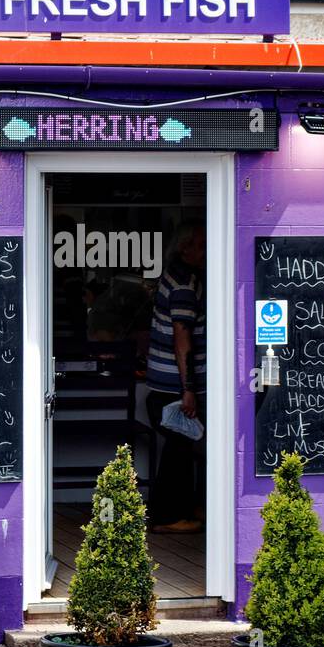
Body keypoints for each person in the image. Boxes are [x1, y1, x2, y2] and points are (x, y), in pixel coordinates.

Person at [145, 222, 206, 533]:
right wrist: (189, 389)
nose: (207, 251)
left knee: (182, 446)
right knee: (180, 448)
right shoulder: (185, 283)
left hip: (163, 383)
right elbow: (182, 334)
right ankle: (169, 516)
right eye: (201, 244)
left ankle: (187, 507)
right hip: (174, 387)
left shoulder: (173, 274)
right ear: (185, 248)